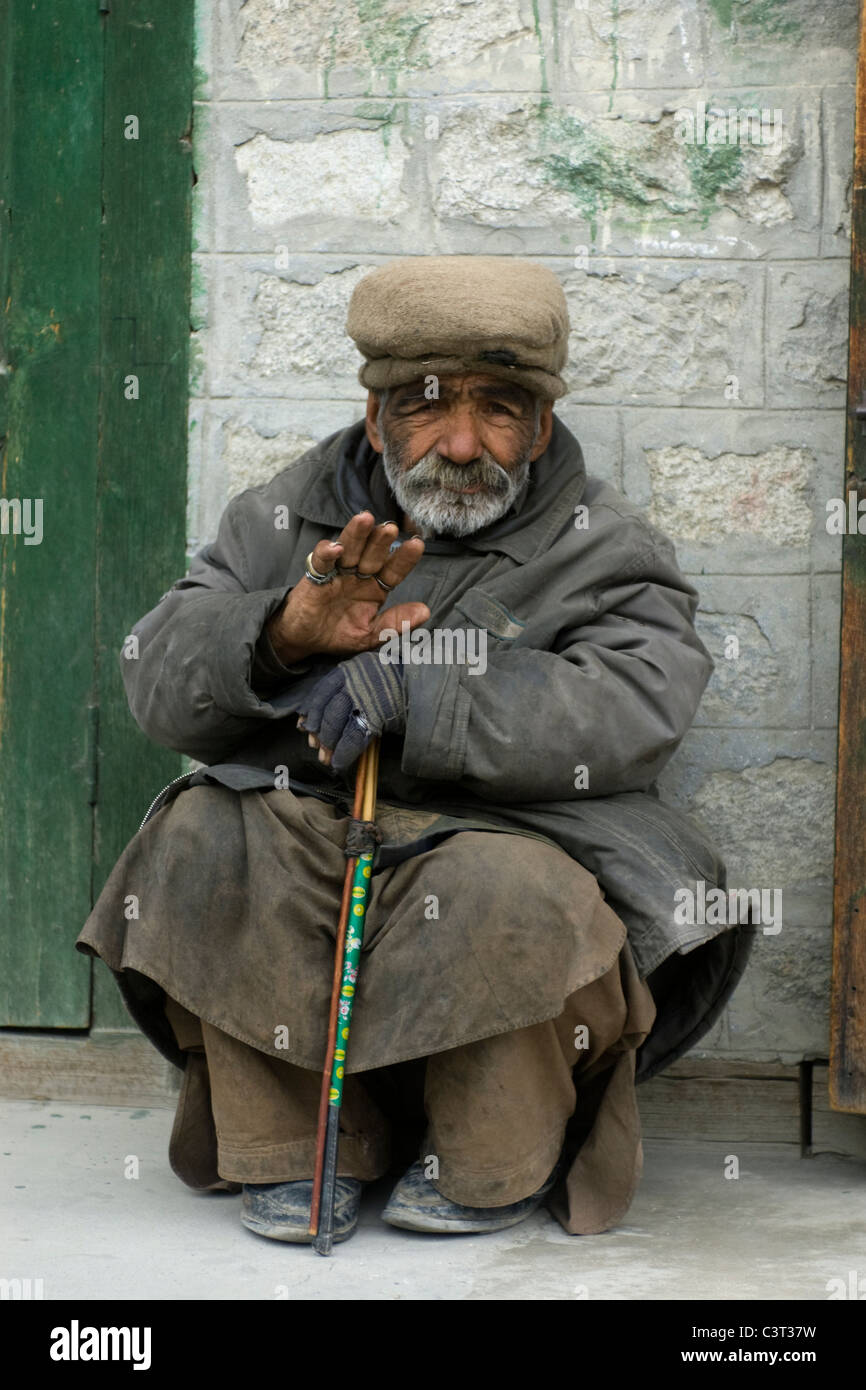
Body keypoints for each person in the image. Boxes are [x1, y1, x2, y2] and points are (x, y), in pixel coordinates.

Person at [77, 255, 749, 1245]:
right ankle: (306, 1149)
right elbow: (154, 669)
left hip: (504, 836)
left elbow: (636, 704)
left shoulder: (599, 542)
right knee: (207, 832)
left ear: (545, 420)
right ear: (376, 410)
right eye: (429, 408)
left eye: (500, 409)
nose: (464, 442)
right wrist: (279, 635)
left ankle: (487, 1164)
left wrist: (425, 686)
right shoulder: (285, 515)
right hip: (317, 831)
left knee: (503, 888)